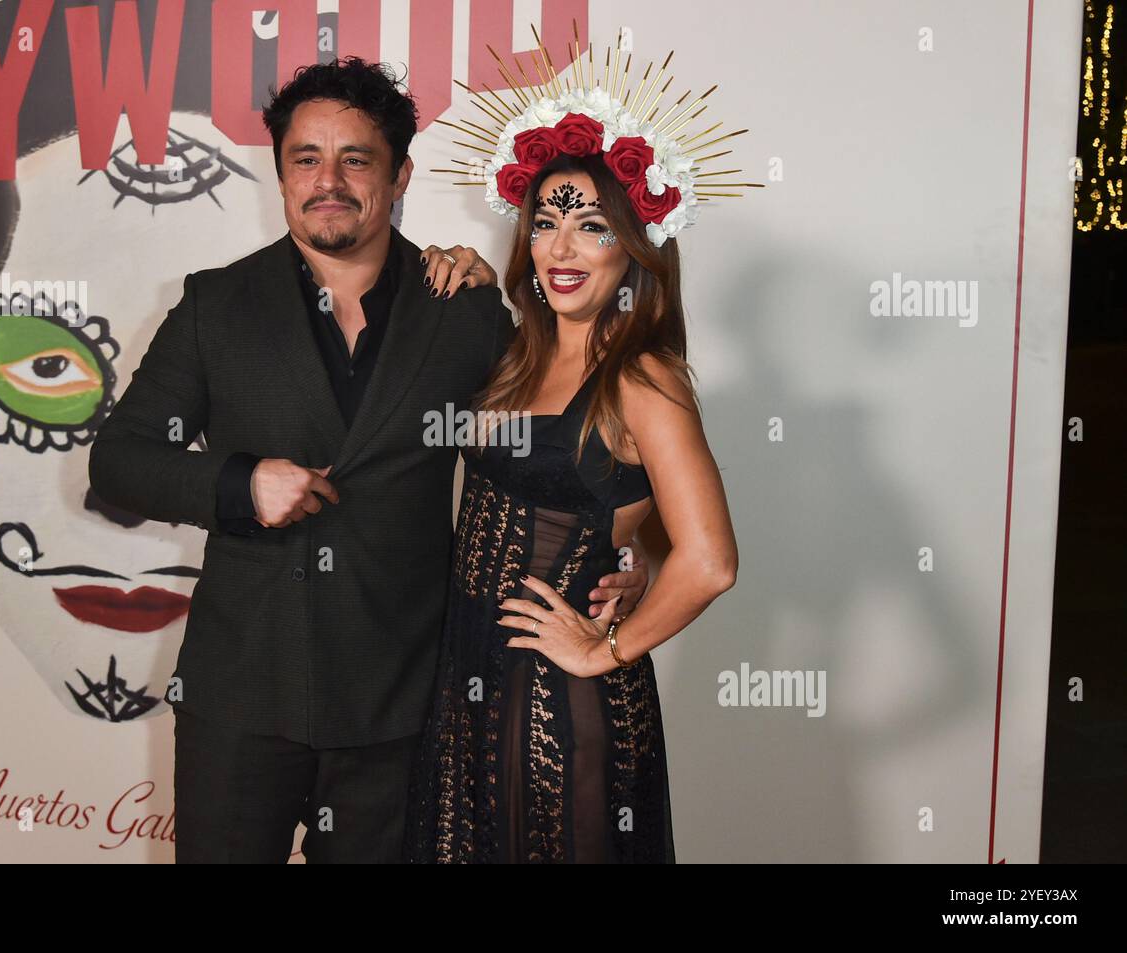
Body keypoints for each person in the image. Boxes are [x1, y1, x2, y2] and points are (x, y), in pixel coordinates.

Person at [87, 56, 649, 863]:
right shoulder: (216, 304)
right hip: (242, 698)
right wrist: (238, 482)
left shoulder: (465, 312)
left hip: (404, 706)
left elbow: (571, 452)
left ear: (400, 174)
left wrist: (634, 553)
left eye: (357, 159)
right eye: (305, 159)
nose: (329, 180)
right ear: (279, 173)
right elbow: (119, 464)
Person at [403, 144, 739, 858]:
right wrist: (636, 558)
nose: (562, 246)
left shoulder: (644, 377)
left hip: (560, 698)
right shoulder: (518, 352)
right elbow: (635, 512)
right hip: (467, 678)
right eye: (546, 221)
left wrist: (607, 648)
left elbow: (710, 560)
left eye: (593, 225)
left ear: (636, 246)